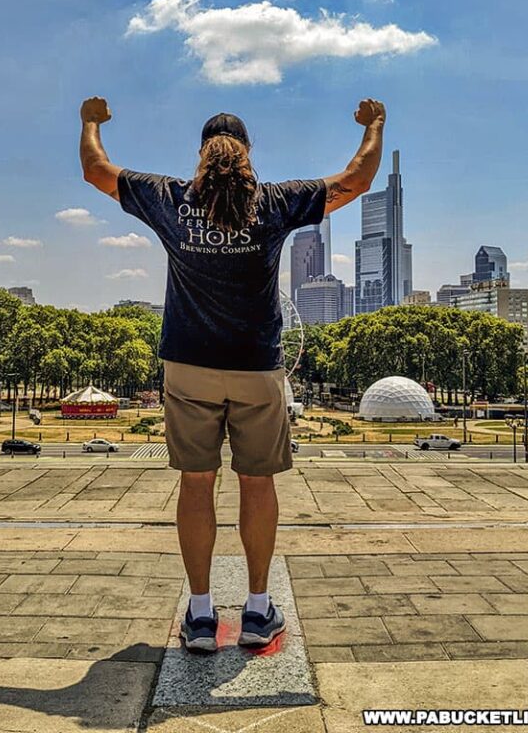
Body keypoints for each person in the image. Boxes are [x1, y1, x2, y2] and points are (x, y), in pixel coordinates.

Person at [80, 95, 385, 652]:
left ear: (202, 155)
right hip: (256, 369)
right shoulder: (274, 203)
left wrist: (91, 122)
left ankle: (200, 615)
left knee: (196, 483)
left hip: (188, 366)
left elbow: (96, 170)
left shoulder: (169, 199)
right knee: (257, 481)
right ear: (248, 156)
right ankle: (257, 609)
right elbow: (357, 179)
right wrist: (374, 126)